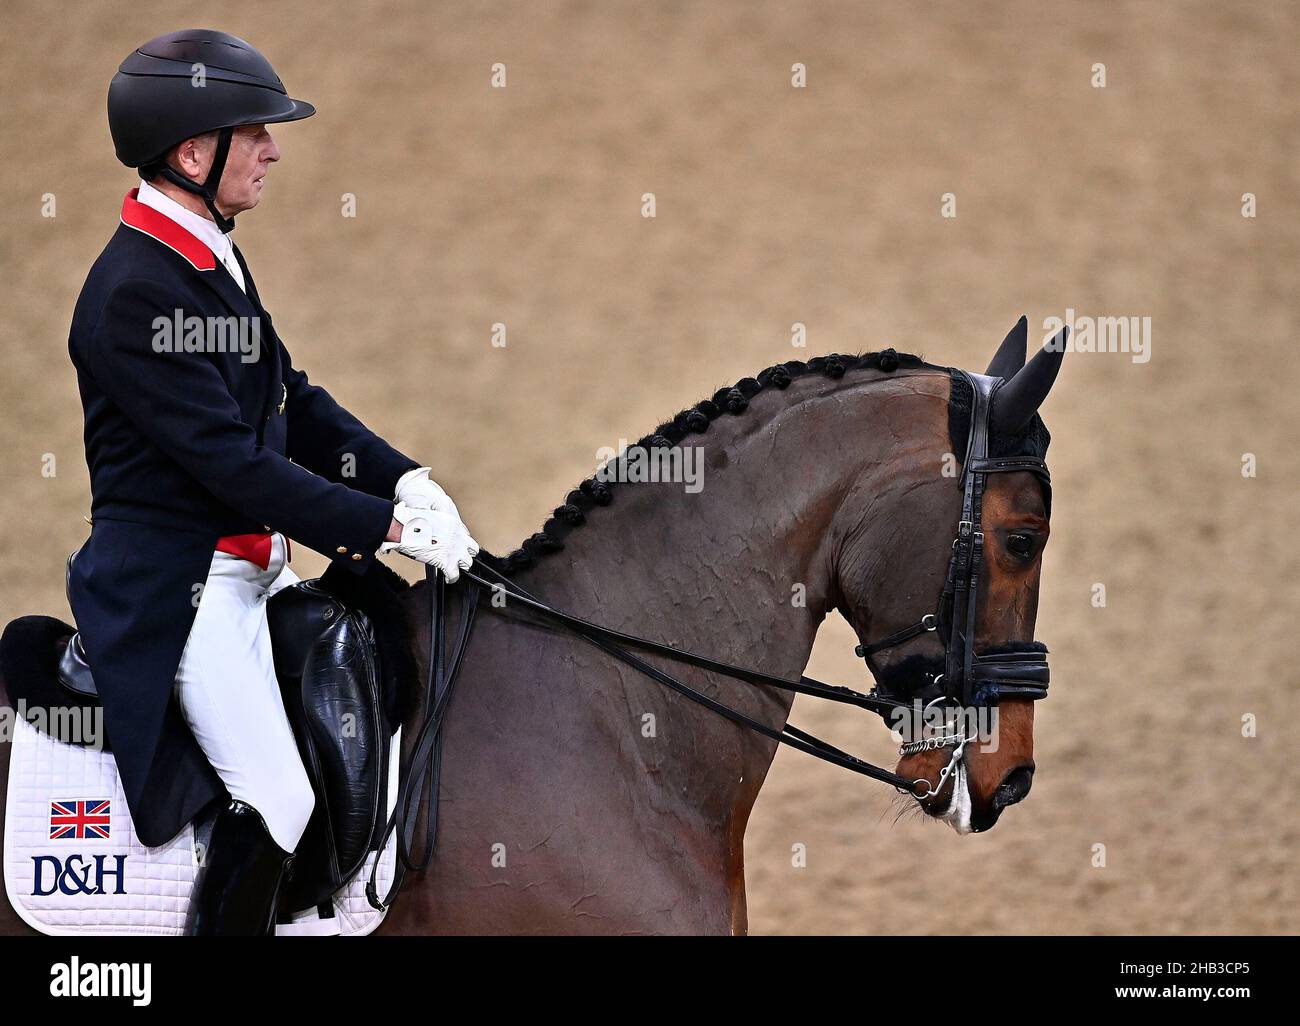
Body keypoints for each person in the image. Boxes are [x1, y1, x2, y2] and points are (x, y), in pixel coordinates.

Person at [66, 29, 476, 934]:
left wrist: (408, 482)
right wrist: (388, 532)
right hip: (178, 592)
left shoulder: (209, 252)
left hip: (251, 573)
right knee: (280, 798)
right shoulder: (134, 294)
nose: (273, 149)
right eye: (255, 131)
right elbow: (237, 470)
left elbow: (294, 400)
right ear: (191, 151)